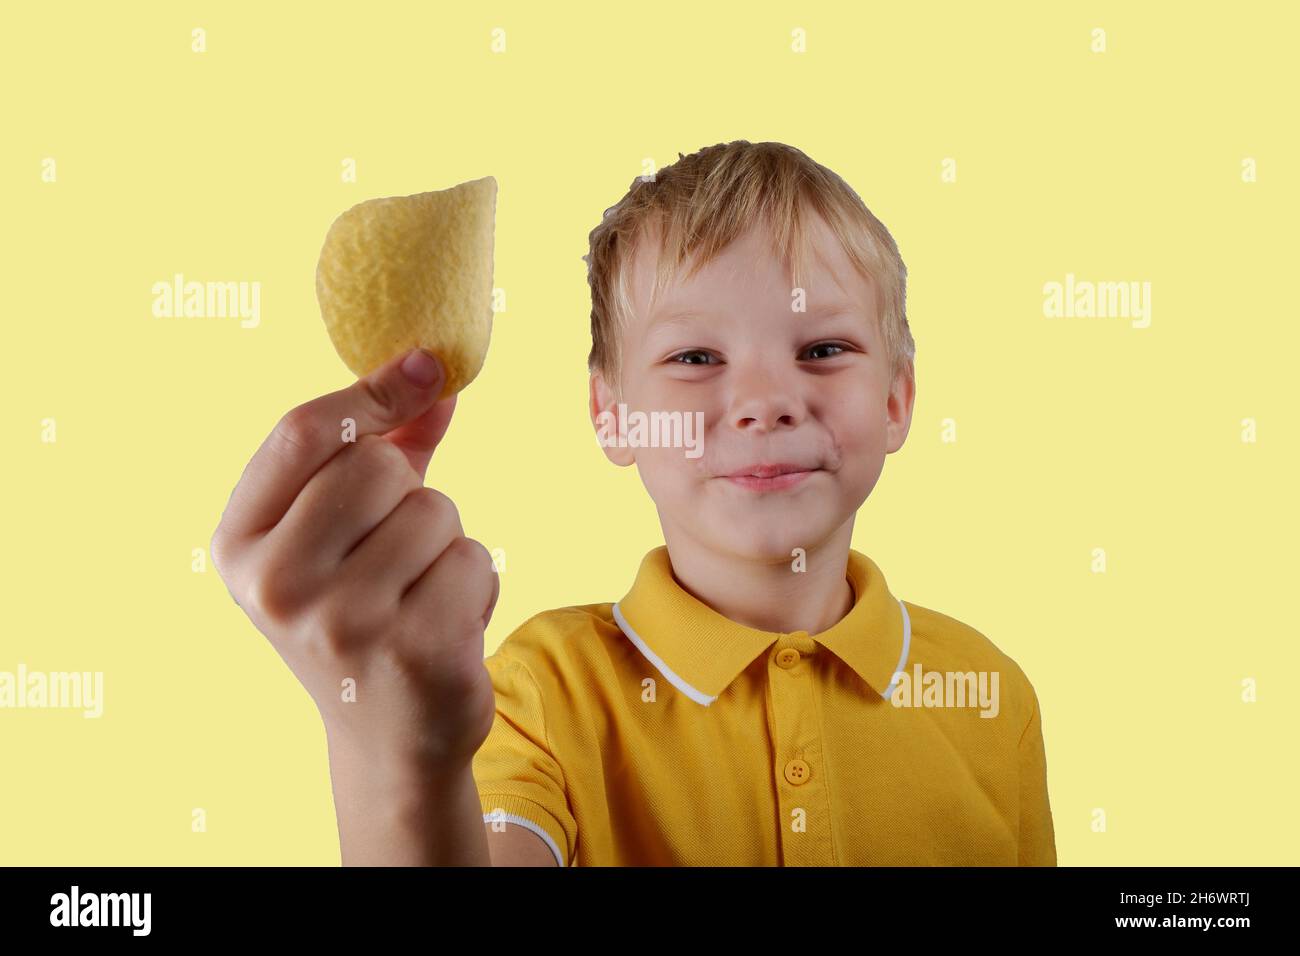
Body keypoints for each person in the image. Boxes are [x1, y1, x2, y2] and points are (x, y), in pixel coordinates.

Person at [211, 140, 1056, 866]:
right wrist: (398, 760)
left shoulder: (991, 692)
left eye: (824, 348)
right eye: (695, 357)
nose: (765, 400)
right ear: (611, 416)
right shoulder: (540, 692)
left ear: (897, 401)